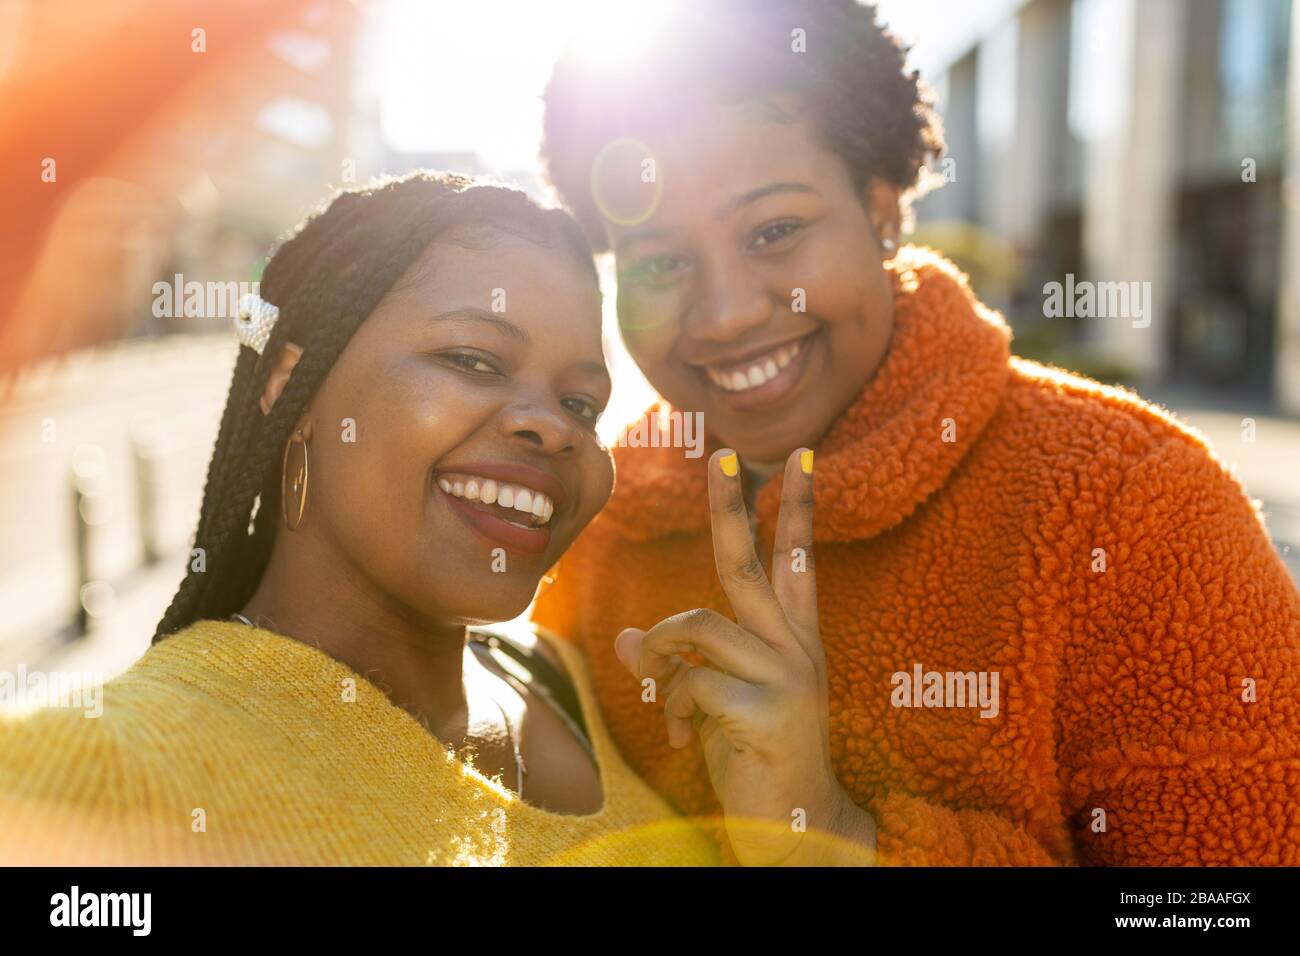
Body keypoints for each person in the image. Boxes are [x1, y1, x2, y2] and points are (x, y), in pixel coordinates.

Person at [532, 0, 1300, 865]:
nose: (725, 315)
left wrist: (834, 840)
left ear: (883, 205)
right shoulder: (600, 525)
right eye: (660, 261)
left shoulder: (1135, 507)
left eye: (776, 231)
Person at [0, 173, 717, 866]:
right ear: (292, 389)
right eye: (474, 359)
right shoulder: (96, 774)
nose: (554, 429)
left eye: (582, 404)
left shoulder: (574, 681)